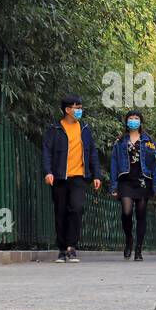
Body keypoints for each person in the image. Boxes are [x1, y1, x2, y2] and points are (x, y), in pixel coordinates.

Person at [42, 94, 101, 263]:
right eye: (77, 108)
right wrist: (48, 171)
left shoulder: (85, 129)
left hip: (79, 177)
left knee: (76, 209)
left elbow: (92, 153)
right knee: (60, 212)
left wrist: (96, 174)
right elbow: (47, 151)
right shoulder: (54, 129)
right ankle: (61, 249)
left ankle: (72, 247)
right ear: (67, 110)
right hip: (60, 177)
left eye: (80, 108)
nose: (80, 111)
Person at [109, 110, 156, 261]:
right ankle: (129, 240)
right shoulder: (120, 141)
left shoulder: (148, 141)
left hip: (143, 180)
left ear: (141, 121)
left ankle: (139, 249)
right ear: (126, 122)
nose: (133, 120)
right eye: (131, 118)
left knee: (141, 213)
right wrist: (113, 186)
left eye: (136, 118)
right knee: (126, 211)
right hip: (126, 180)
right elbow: (114, 163)